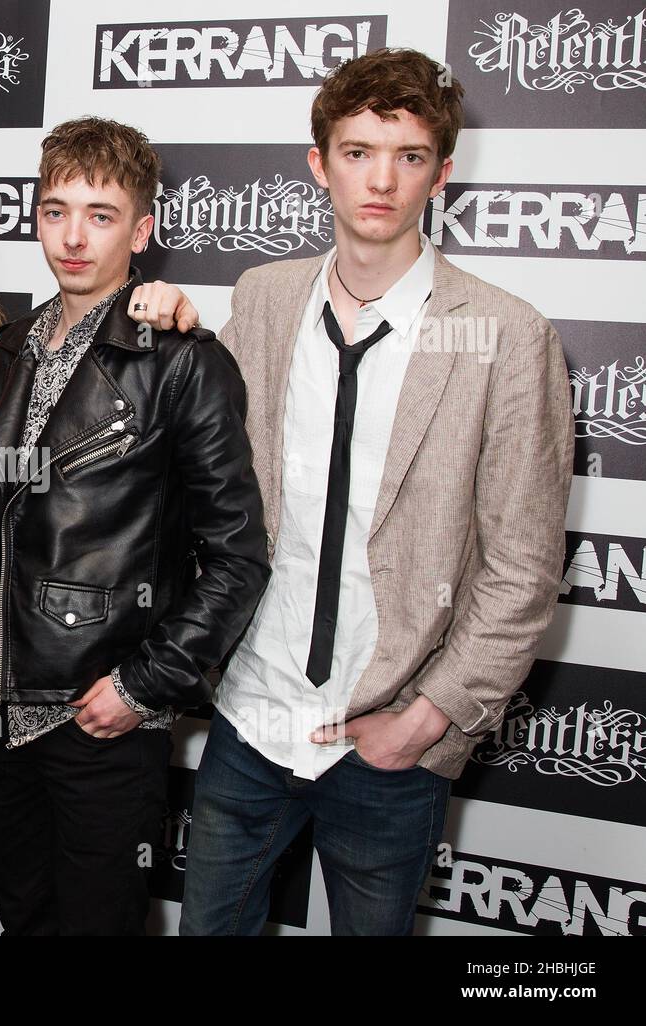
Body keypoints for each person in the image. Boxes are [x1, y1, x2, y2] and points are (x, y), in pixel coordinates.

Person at [178, 48, 575, 936]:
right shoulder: (266, 299)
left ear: (441, 173)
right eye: (357, 152)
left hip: (391, 739)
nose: (381, 180)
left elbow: (521, 568)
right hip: (250, 718)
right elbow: (208, 488)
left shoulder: (508, 336)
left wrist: (429, 717)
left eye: (408, 156)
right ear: (319, 165)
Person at [0, 116, 271, 936]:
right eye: (56, 211)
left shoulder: (185, 359)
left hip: (102, 715)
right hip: (3, 712)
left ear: (143, 228)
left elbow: (238, 559)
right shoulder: (12, 343)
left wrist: (140, 688)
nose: (74, 236)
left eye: (101, 213)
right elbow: (0, 510)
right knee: (26, 917)